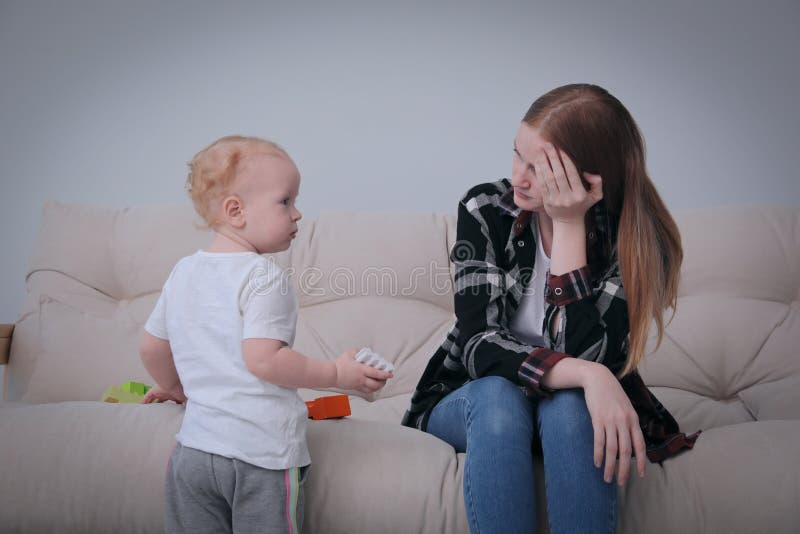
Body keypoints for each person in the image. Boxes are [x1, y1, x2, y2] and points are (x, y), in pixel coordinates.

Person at [402, 84, 700, 534]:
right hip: (475, 399)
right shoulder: (485, 208)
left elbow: (589, 353)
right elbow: (479, 345)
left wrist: (568, 224)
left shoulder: (635, 240)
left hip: (572, 408)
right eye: (517, 155)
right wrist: (587, 374)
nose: (519, 177)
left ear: (591, 178)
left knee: (569, 407)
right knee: (499, 396)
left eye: (541, 168)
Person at [139, 135, 393, 534]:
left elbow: (152, 345)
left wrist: (173, 386)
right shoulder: (264, 277)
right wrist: (337, 375)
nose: (297, 214)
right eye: (285, 201)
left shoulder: (184, 271)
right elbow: (264, 360)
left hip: (193, 452)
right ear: (236, 211)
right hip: (260, 455)